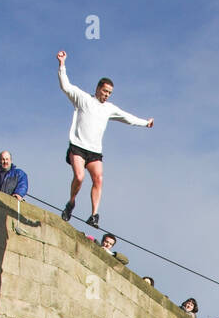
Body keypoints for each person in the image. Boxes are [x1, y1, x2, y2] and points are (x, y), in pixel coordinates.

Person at [56, 50, 153, 227]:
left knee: (98, 179)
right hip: (77, 146)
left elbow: (128, 118)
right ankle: (71, 202)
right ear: (98, 88)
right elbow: (66, 86)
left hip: (94, 150)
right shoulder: (83, 99)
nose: (107, 95)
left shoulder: (109, 108)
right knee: (79, 177)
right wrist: (62, 64)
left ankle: (94, 215)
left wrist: (145, 123)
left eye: (110, 93)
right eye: (105, 91)